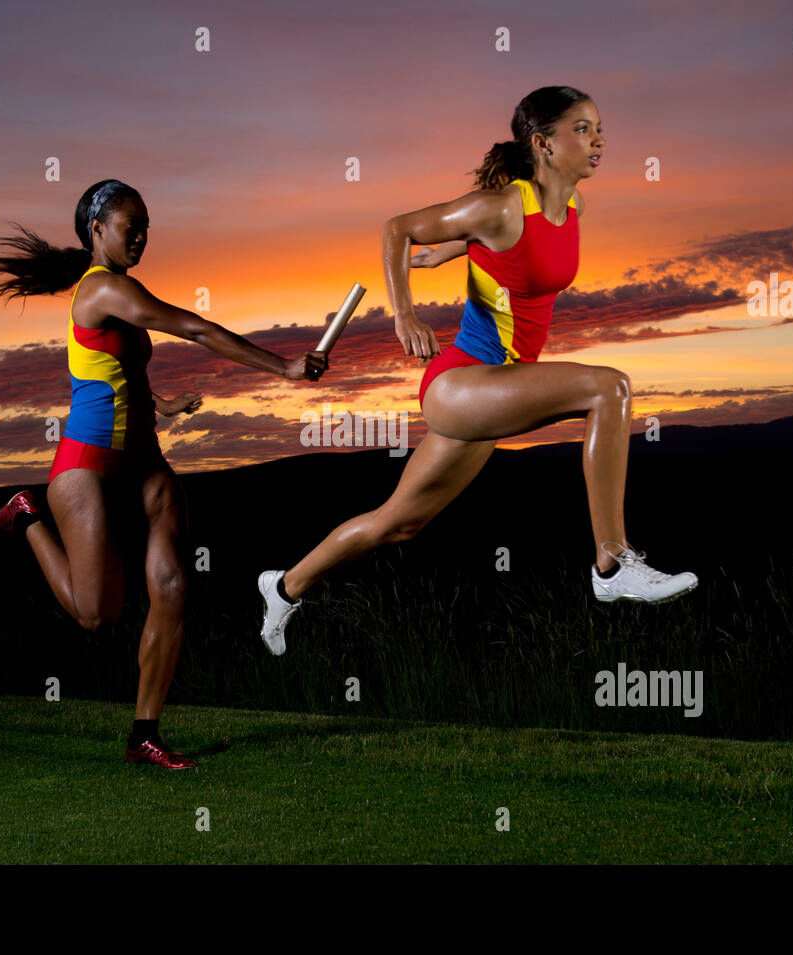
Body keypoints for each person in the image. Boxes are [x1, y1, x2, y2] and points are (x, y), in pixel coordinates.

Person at [258, 86, 697, 655]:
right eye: (583, 129)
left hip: (500, 390)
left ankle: (284, 588)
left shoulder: (571, 208)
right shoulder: (501, 203)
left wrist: (456, 249)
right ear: (543, 143)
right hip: (460, 383)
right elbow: (397, 228)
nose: (599, 140)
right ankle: (613, 564)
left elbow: (514, 254)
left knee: (398, 523)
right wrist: (405, 313)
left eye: (599, 128)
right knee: (609, 389)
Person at [0, 179, 329, 765]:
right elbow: (193, 327)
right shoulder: (99, 290)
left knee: (171, 588)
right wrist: (285, 368)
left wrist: (161, 406)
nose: (140, 236)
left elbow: (115, 374)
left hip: (144, 462)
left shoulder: (116, 299)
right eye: (129, 225)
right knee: (97, 614)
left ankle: (145, 734)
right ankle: (26, 515)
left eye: (146, 227)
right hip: (86, 465)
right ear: (97, 230)